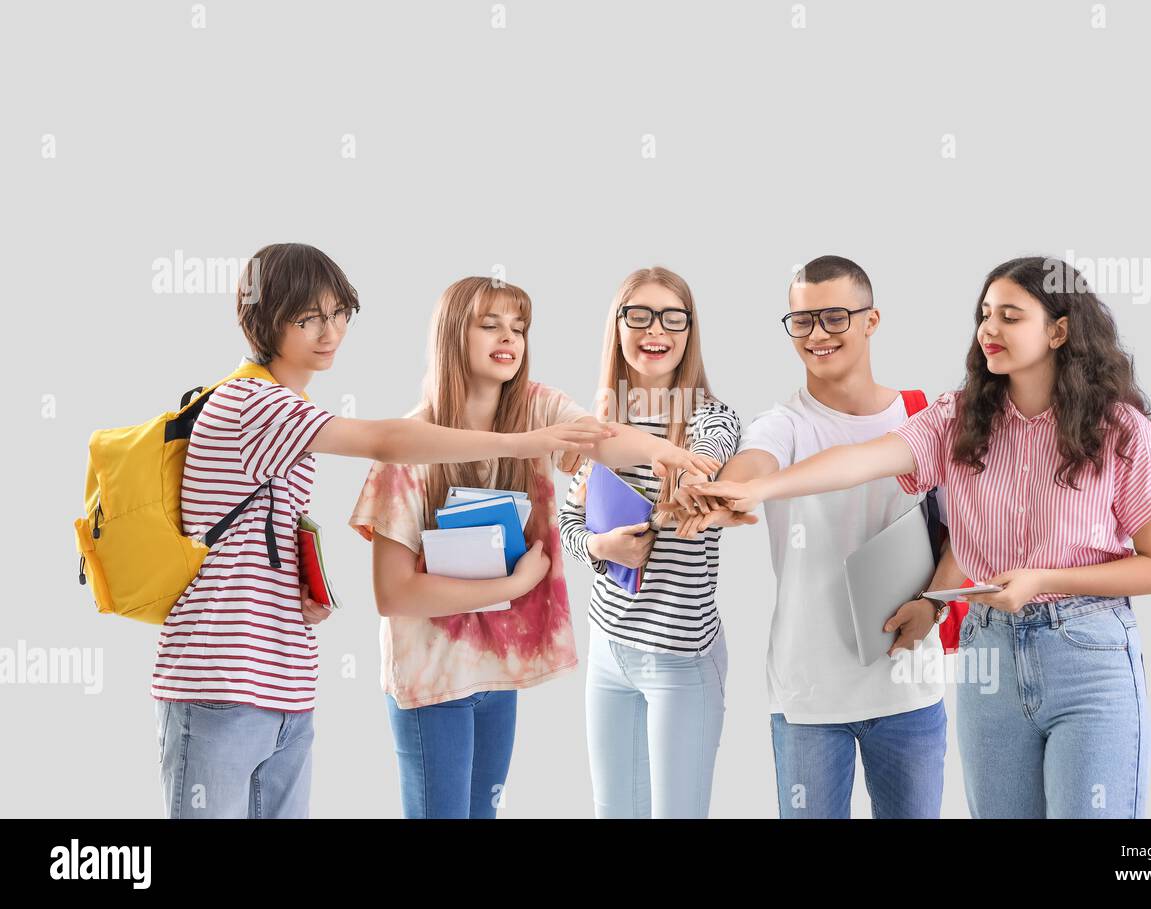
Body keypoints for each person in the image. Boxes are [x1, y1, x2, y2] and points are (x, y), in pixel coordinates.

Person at [676, 256, 1151, 819]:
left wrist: (1044, 579)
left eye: (1010, 316)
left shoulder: (1120, 430)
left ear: (1059, 330)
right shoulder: (960, 417)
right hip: (989, 655)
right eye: (984, 315)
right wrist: (756, 491)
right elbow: (857, 461)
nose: (989, 329)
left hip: (1087, 655)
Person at [153, 244, 609, 819]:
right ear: (262, 319)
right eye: (308, 317)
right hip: (220, 680)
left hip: (283, 684)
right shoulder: (253, 402)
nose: (331, 332)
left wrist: (298, 592)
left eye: (339, 314)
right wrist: (521, 444)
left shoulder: (294, 414)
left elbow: (257, 535)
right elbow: (390, 442)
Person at [348, 275, 718, 819]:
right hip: (432, 676)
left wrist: (669, 454)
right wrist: (516, 585)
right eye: (490, 324)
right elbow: (393, 594)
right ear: (452, 335)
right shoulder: (410, 444)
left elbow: (598, 438)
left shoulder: (538, 408)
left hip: (498, 670)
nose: (509, 338)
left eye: (519, 328)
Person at [674, 254, 960, 818]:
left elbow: (967, 532)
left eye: (834, 317)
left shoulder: (925, 417)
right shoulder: (781, 423)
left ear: (871, 321)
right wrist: (723, 492)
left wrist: (934, 603)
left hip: (908, 689)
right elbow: (754, 463)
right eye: (801, 321)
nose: (816, 335)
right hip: (808, 699)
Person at [559, 266, 741, 818]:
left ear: (689, 332)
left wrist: (687, 482)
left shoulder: (711, 418)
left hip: (680, 659)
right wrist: (601, 548)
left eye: (671, 317)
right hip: (608, 651)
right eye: (638, 315)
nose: (654, 330)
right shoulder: (596, 425)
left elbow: (705, 464)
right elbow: (569, 525)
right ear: (618, 327)